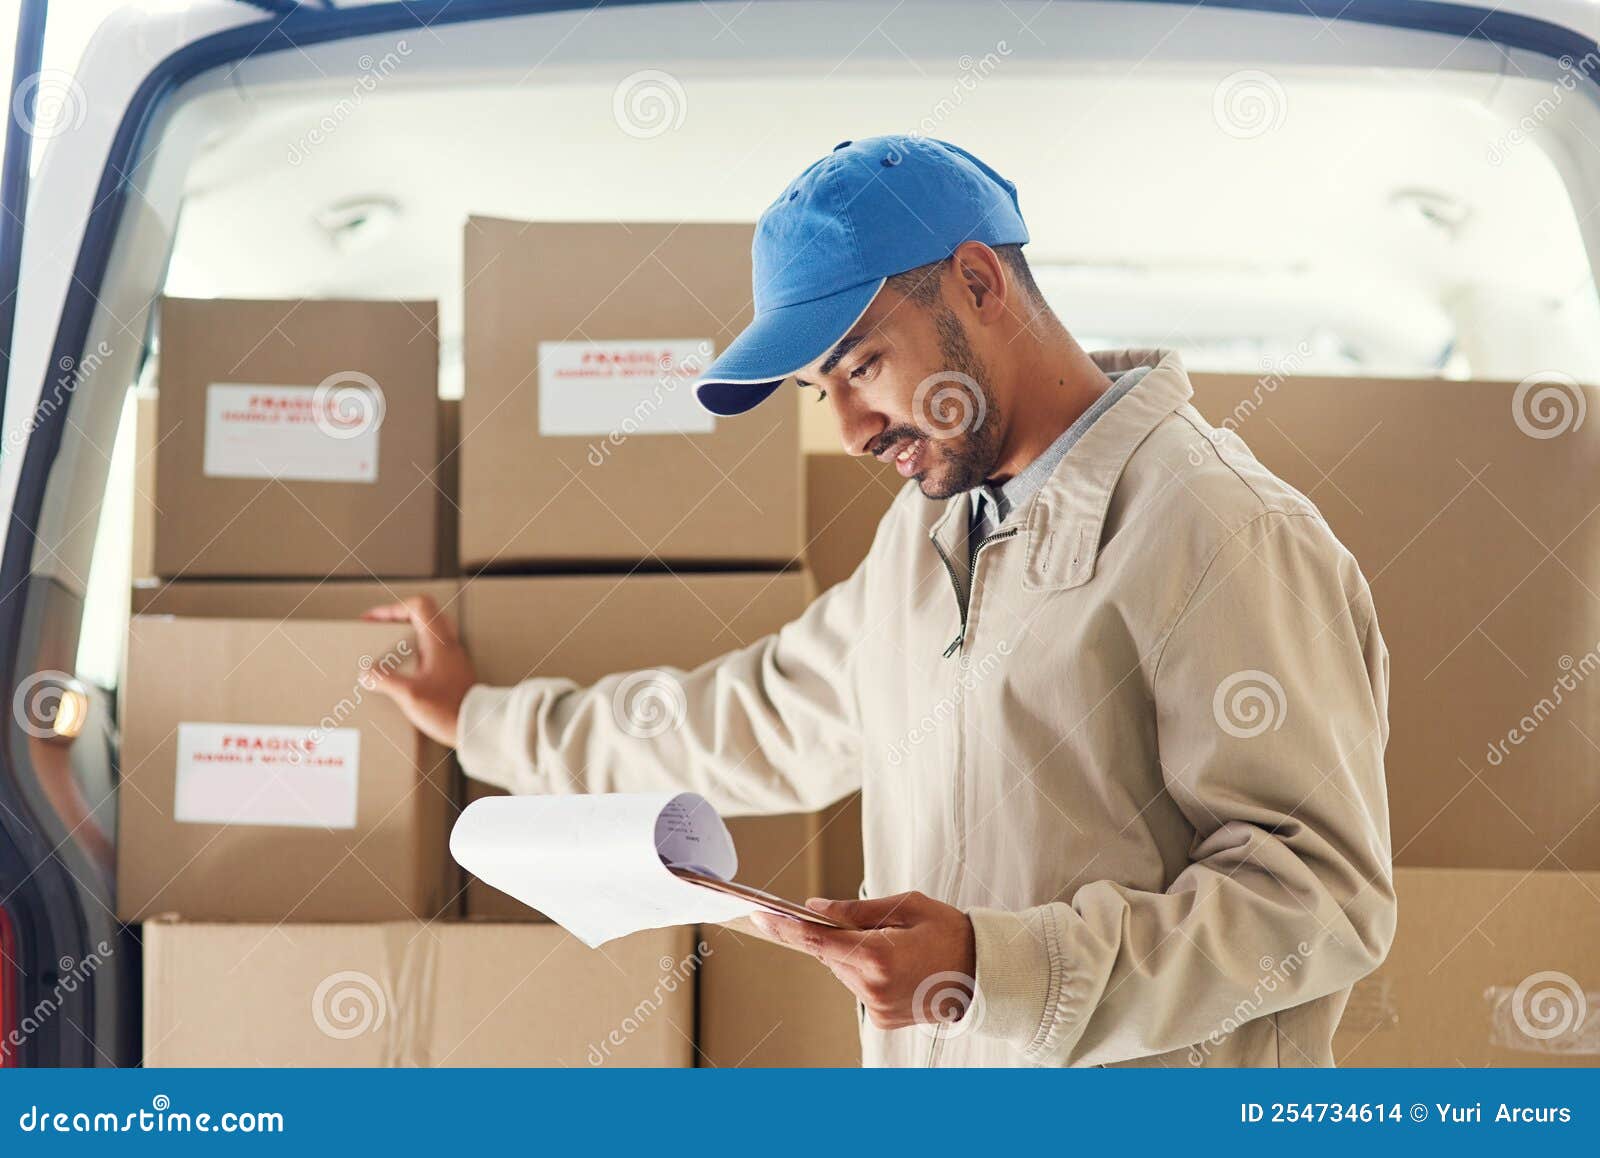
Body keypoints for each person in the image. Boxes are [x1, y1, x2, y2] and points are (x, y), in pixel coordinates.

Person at [364, 135, 1395, 1068]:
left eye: (863, 366)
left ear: (979, 282)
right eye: (825, 391)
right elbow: (763, 712)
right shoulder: (934, 529)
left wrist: (994, 966)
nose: (853, 429)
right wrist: (483, 724)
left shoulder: (1216, 529)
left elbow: (1317, 901)